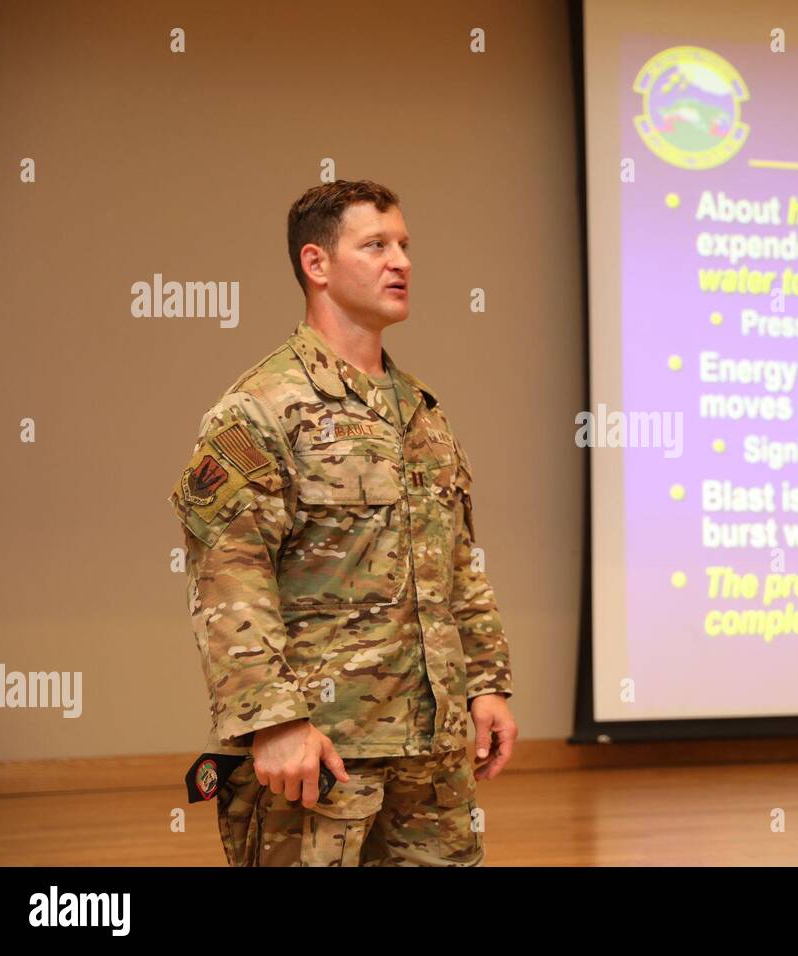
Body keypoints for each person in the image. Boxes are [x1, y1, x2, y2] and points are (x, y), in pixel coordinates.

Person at [168, 179, 516, 866]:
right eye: (377, 245)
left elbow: (459, 567)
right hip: (321, 755)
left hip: (432, 753)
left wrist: (486, 683)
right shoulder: (260, 409)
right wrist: (274, 721)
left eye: (406, 246)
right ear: (316, 264)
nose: (402, 262)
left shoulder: (421, 411)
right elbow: (229, 579)